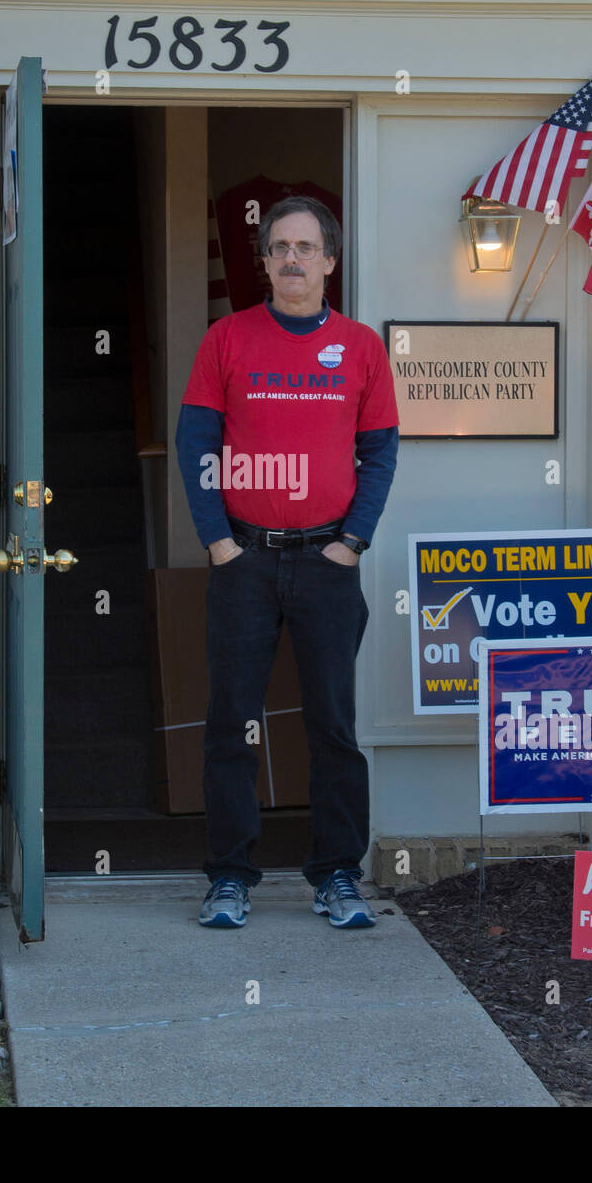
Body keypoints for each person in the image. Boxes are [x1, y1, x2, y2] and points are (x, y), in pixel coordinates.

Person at [175, 195, 400, 930]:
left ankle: (337, 874)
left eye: (308, 247)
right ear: (265, 261)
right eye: (281, 248)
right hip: (244, 558)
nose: (294, 259)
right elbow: (196, 445)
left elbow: (381, 453)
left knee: (333, 725)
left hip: (327, 561)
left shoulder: (361, 348)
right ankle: (231, 877)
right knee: (229, 722)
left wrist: (352, 543)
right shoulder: (226, 340)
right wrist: (219, 542)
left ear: (329, 261)